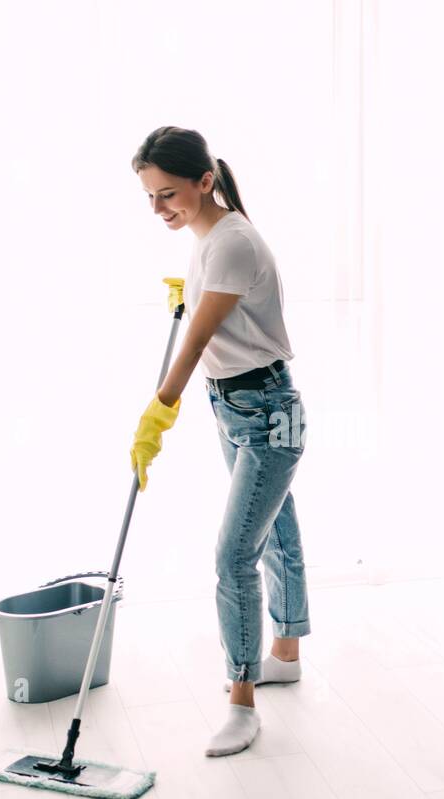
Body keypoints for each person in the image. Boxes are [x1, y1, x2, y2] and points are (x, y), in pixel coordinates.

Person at [130, 126, 310, 757]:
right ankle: (283, 651)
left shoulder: (231, 243)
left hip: (266, 411)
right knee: (275, 529)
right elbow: (218, 316)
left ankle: (242, 700)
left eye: (168, 195)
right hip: (236, 405)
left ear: (205, 181)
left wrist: (157, 414)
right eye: (150, 197)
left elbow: (198, 343)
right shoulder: (209, 237)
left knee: (233, 556)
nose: (158, 210)